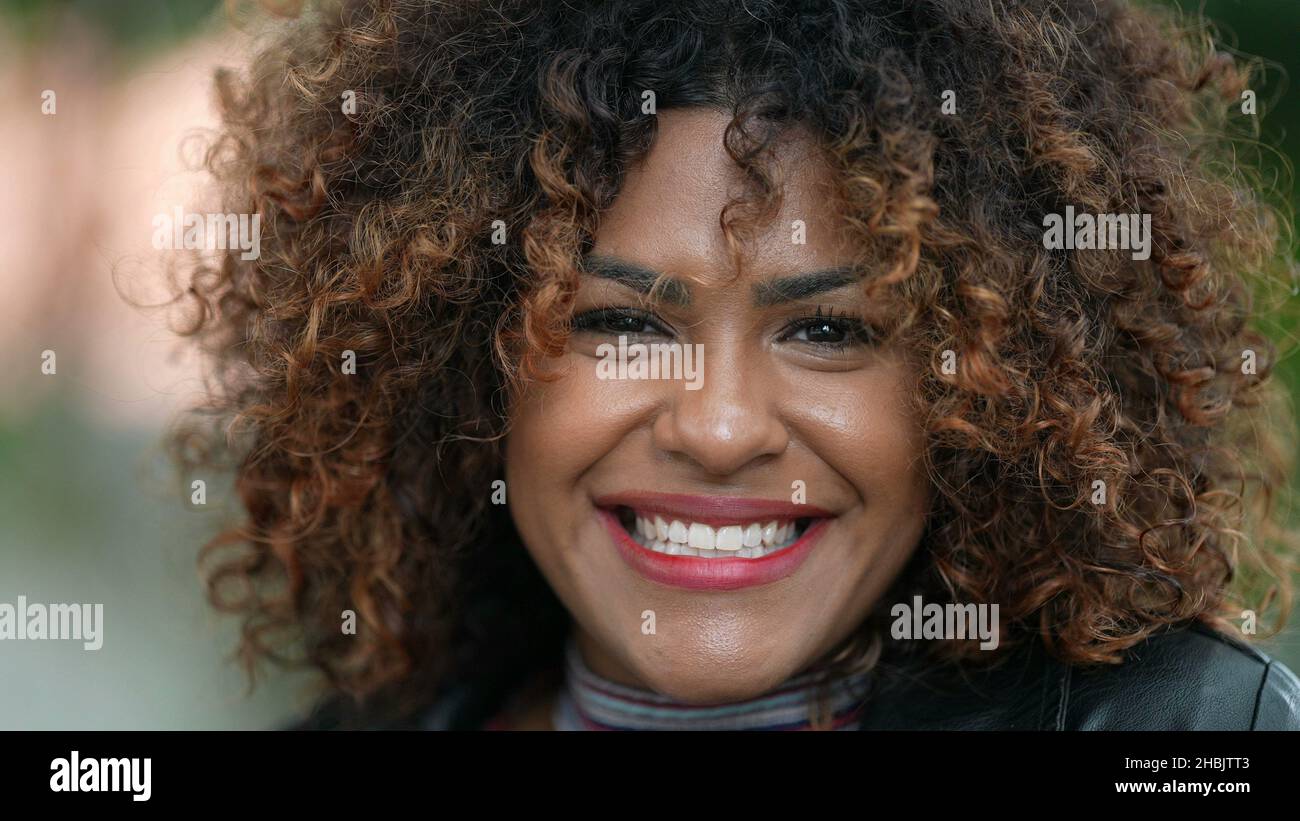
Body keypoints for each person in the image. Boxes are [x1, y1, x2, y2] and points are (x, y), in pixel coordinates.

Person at [167, 0, 1300, 730]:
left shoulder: (1187, 734)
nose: (718, 428)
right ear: (471, 360)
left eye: (830, 331)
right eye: (619, 324)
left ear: (987, 388)